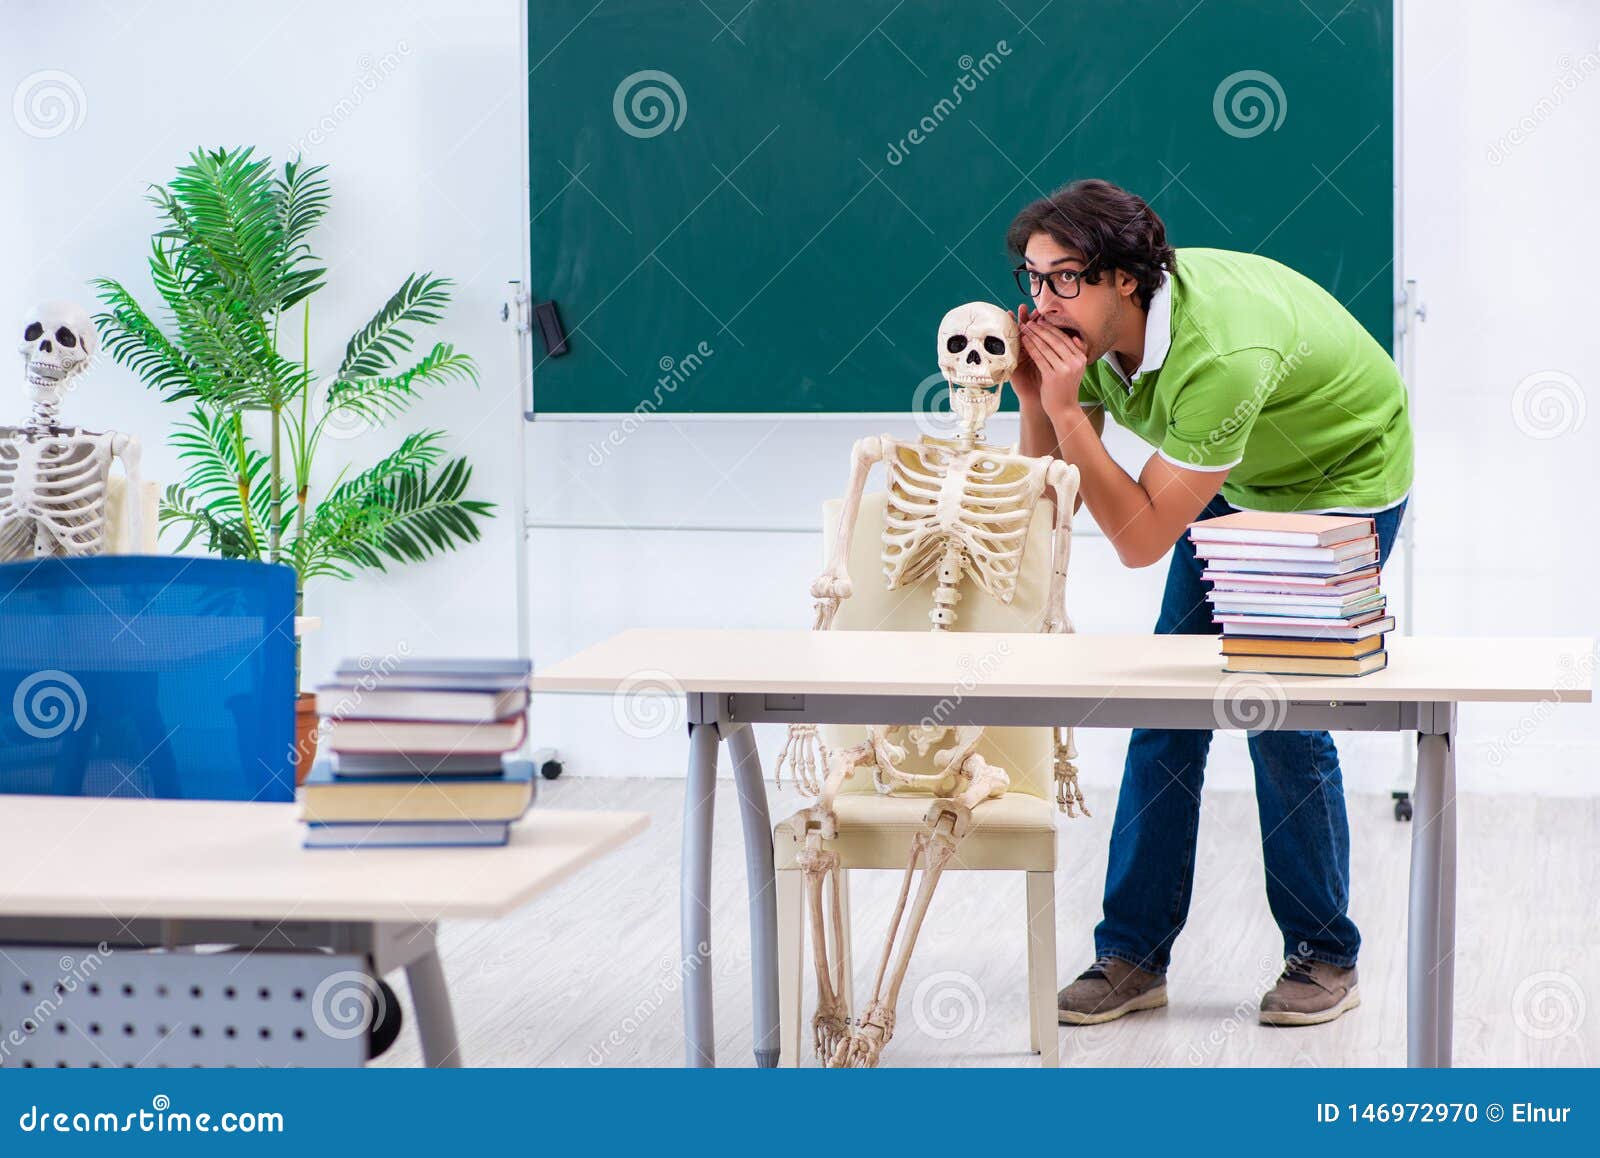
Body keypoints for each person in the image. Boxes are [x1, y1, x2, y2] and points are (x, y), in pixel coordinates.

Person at [1006, 178, 1412, 1027]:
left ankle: (1325, 953)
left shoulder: (1217, 356)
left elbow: (1140, 538)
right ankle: (1132, 955)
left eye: (1064, 278)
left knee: (1276, 706)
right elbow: (1056, 496)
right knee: (1168, 707)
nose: (1042, 304)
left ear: (1125, 279)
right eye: (1033, 279)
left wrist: (1067, 414)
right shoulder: (1094, 333)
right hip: (1233, 471)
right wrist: (1036, 400)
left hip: (1339, 477)